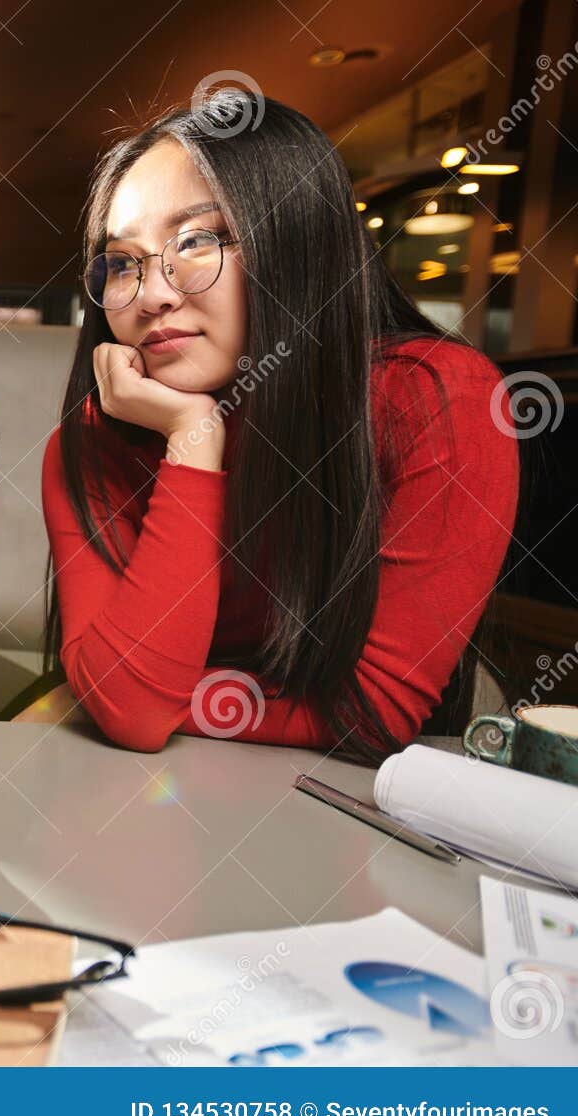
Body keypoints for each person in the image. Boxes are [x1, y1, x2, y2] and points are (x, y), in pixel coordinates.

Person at [38, 91, 518, 764]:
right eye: (123, 261)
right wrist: (194, 440)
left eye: (196, 240)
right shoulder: (93, 440)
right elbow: (135, 710)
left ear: (294, 237)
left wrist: (157, 693)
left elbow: (373, 711)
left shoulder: (438, 400)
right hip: (159, 802)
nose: (151, 294)